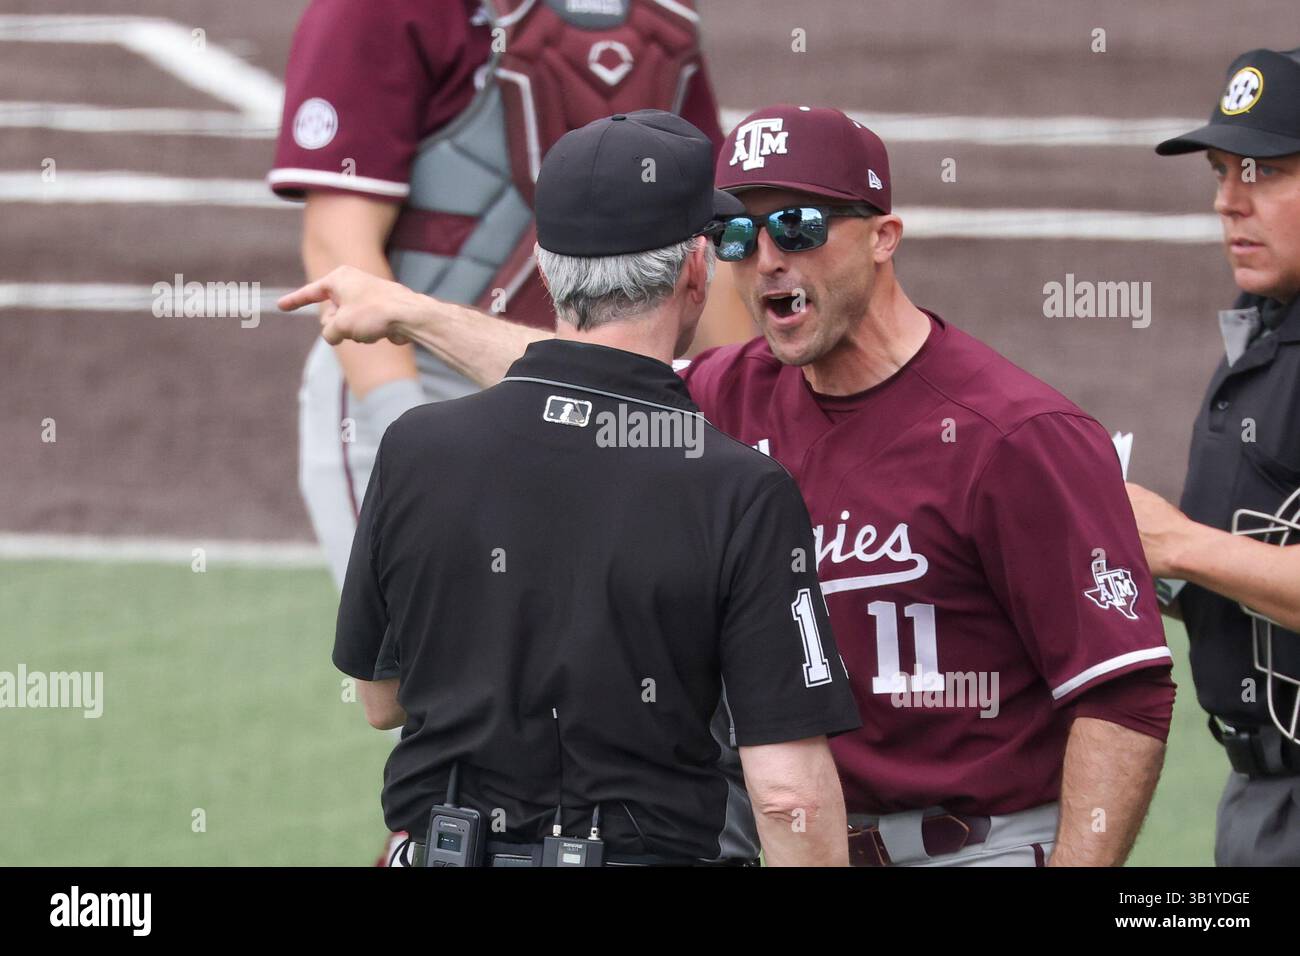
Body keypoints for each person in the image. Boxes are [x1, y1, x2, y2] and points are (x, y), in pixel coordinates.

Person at [282, 104, 1176, 867]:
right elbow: (584, 382)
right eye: (742, 234)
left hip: (965, 846)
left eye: (800, 227)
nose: (768, 261)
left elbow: (1122, 692)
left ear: (884, 237)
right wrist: (413, 311)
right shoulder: (726, 395)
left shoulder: (1016, 437)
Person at [267, 0, 738, 862]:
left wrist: (746, 419)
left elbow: (707, 239)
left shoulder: (656, 20)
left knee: (641, 694)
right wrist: (422, 446)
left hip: (608, 410)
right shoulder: (381, 10)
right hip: (422, 394)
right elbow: (338, 236)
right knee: (443, 700)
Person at [331, 110, 861, 867]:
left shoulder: (417, 447)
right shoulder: (742, 490)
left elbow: (382, 701)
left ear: (547, 272)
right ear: (692, 273)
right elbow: (788, 798)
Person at [1126, 47, 1300, 867]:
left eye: (1262, 171)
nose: (1228, 202)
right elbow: (1255, 552)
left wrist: (1177, 543)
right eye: (1223, 170)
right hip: (1260, 798)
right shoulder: (1263, 327)